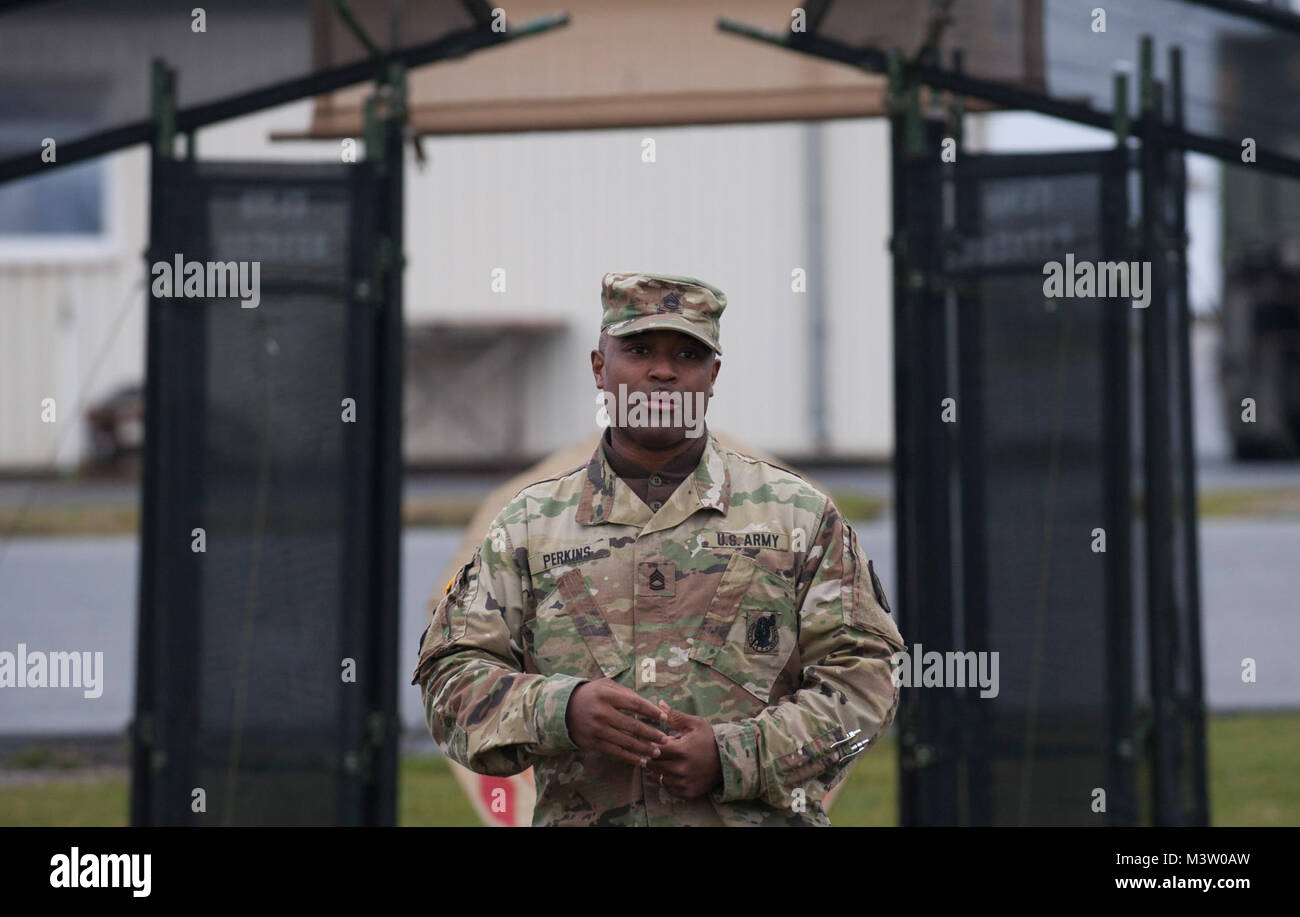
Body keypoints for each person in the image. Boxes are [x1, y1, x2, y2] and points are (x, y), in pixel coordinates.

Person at [411, 271, 905, 826]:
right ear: (600, 368)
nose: (663, 371)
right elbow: (449, 684)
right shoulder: (528, 527)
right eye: (639, 349)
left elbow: (868, 685)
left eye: (688, 355)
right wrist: (562, 711)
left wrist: (734, 757)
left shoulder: (798, 518)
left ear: (713, 375)